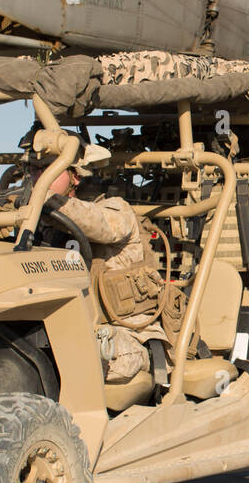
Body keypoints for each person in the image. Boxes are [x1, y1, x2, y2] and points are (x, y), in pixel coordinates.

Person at [38, 144, 163, 384]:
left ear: (75, 175)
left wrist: (41, 198)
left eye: (49, 169)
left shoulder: (115, 209)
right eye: (33, 170)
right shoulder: (40, 218)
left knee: (80, 354)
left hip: (125, 336)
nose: (39, 178)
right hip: (62, 328)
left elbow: (99, 225)